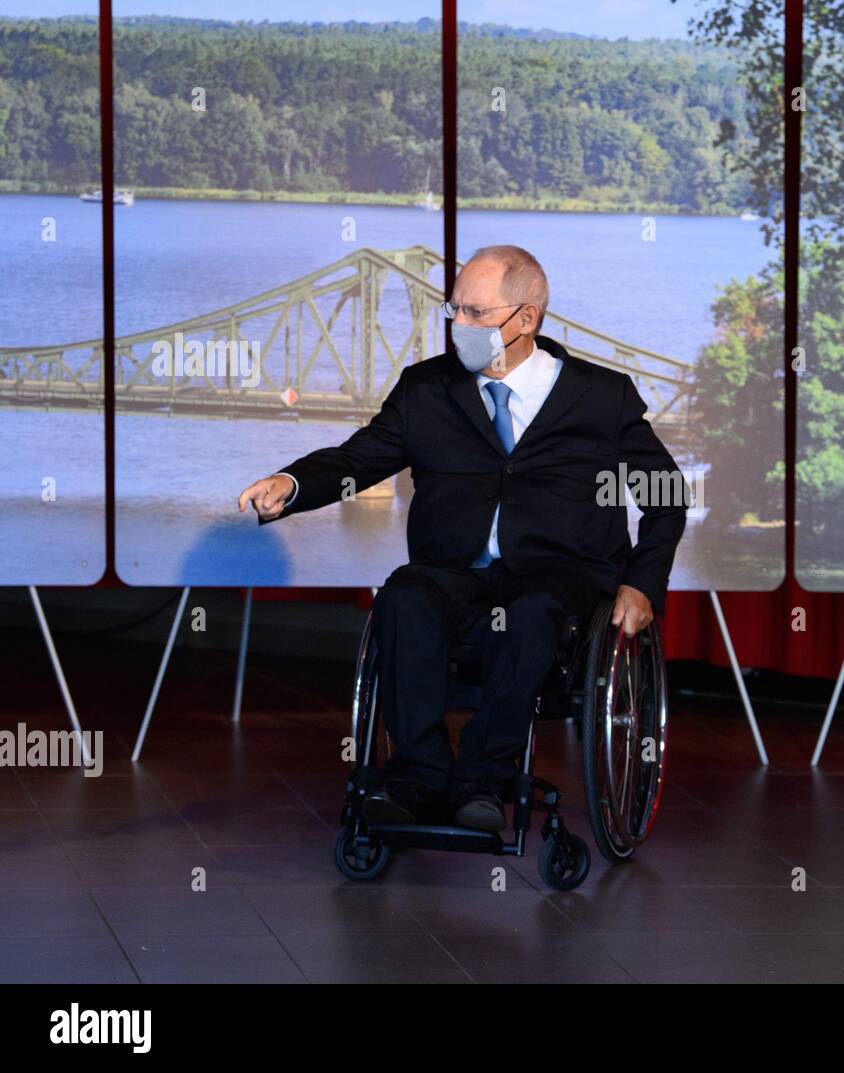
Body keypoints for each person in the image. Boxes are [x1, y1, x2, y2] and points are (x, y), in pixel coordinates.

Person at [239, 245, 687, 833]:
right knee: (403, 596)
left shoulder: (601, 397)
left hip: (560, 575)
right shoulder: (427, 389)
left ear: (525, 320)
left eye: (476, 313)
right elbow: (360, 458)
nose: (458, 326)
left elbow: (665, 494)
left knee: (533, 610)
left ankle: (482, 777)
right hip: (454, 571)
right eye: (454, 309)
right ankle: (417, 774)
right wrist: (292, 482)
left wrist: (641, 582)